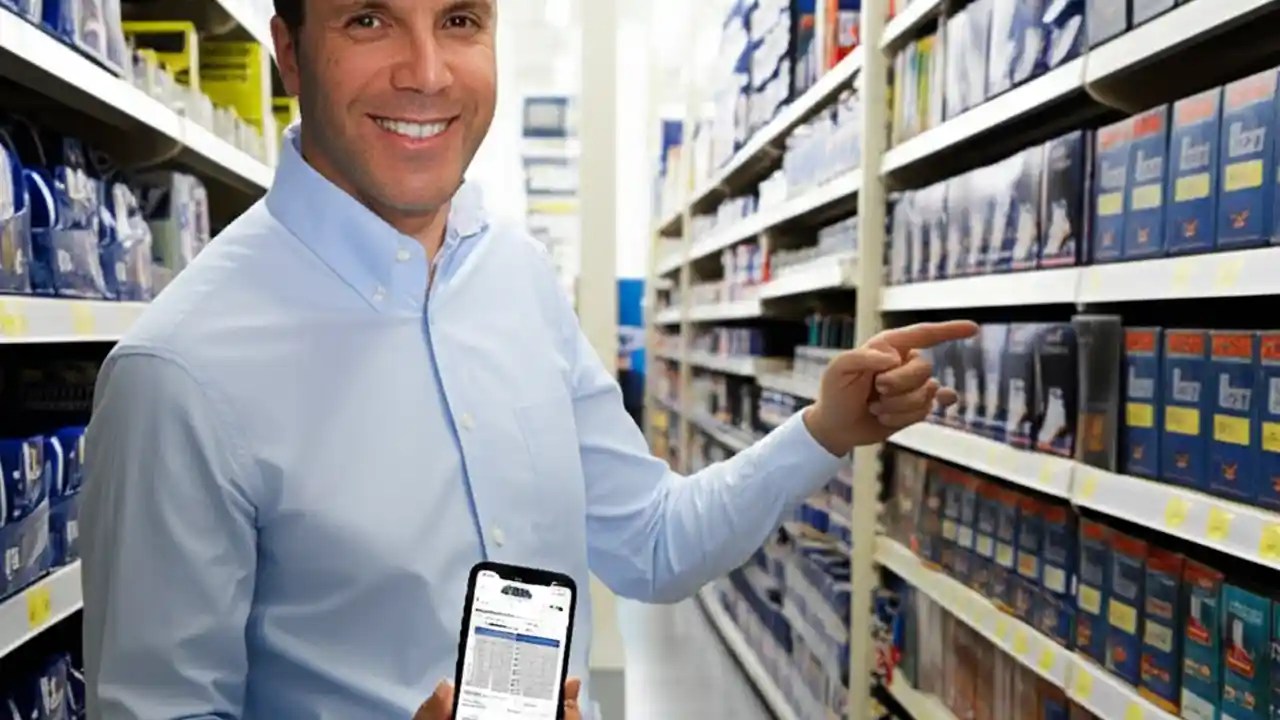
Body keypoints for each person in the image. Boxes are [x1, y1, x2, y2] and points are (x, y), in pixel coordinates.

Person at [79, 0, 978, 718]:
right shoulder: (180, 374)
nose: (427, 72)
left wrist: (824, 430)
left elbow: (654, 543)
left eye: (460, 20)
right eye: (368, 19)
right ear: (290, 51)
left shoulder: (514, 278)